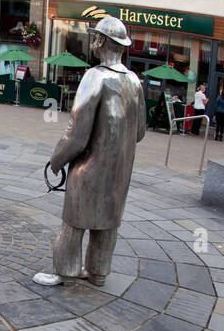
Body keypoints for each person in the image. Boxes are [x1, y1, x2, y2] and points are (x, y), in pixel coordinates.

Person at [32, 15, 145, 288]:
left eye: (96, 36)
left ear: (102, 41)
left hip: (89, 169)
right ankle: (98, 273)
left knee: (73, 223)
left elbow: (76, 133)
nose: (93, 41)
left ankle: (65, 271)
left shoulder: (95, 77)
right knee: (107, 224)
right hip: (119, 171)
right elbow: (139, 132)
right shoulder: (134, 81)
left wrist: (57, 160)